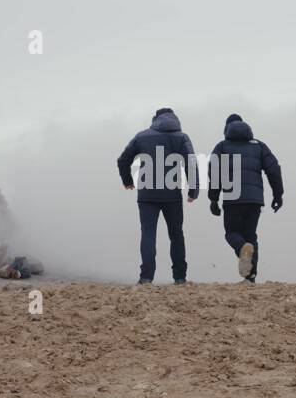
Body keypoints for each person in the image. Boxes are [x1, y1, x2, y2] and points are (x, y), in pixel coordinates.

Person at [117, 108, 197, 284]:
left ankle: (146, 277)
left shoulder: (142, 136)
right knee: (176, 234)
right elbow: (191, 163)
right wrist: (193, 190)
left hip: (147, 194)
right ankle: (180, 278)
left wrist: (128, 181)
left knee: (148, 233)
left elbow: (123, 160)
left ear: (155, 119)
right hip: (172, 194)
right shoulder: (182, 137)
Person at [208, 114, 283, 282]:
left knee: (232, 233)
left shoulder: (222, 146)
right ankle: (250, 277)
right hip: (254, 200)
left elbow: (214, 172)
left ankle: (242, 249)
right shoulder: (259, 146)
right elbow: (274, 170)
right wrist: (278, 195)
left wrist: (213, 198)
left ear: (226, 129)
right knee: (251, 235)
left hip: (232, 199)